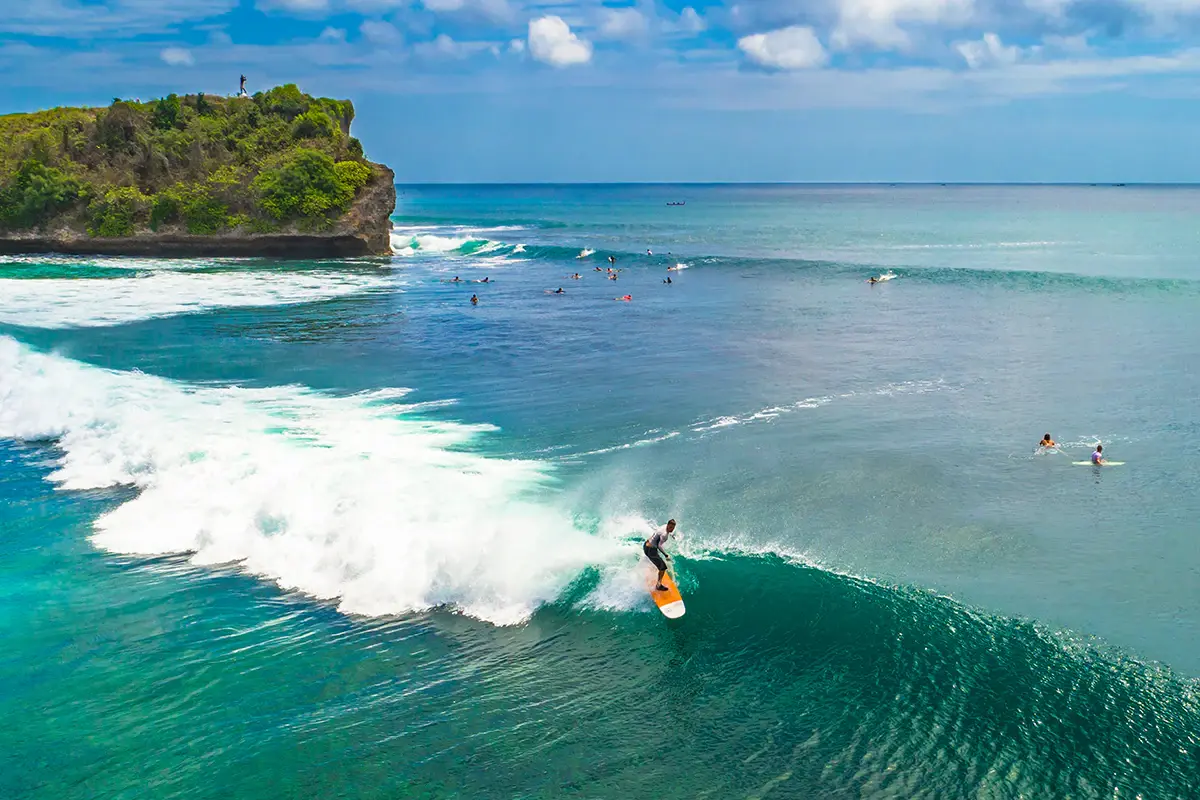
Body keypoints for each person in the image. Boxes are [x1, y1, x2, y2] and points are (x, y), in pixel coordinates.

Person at [644, 520, 677, 591]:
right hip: (651, 550)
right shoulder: (664, 535)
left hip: (646, 545)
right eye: (670, 527)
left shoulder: (664, 526)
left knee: (657, 558)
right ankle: (658, 585)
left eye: (673, 528)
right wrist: (666, 555)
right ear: (668, 525)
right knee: (663, 567)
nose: (671, 529)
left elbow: (662, 534)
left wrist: (671, 535)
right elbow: (659, 546)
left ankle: (651, 566)